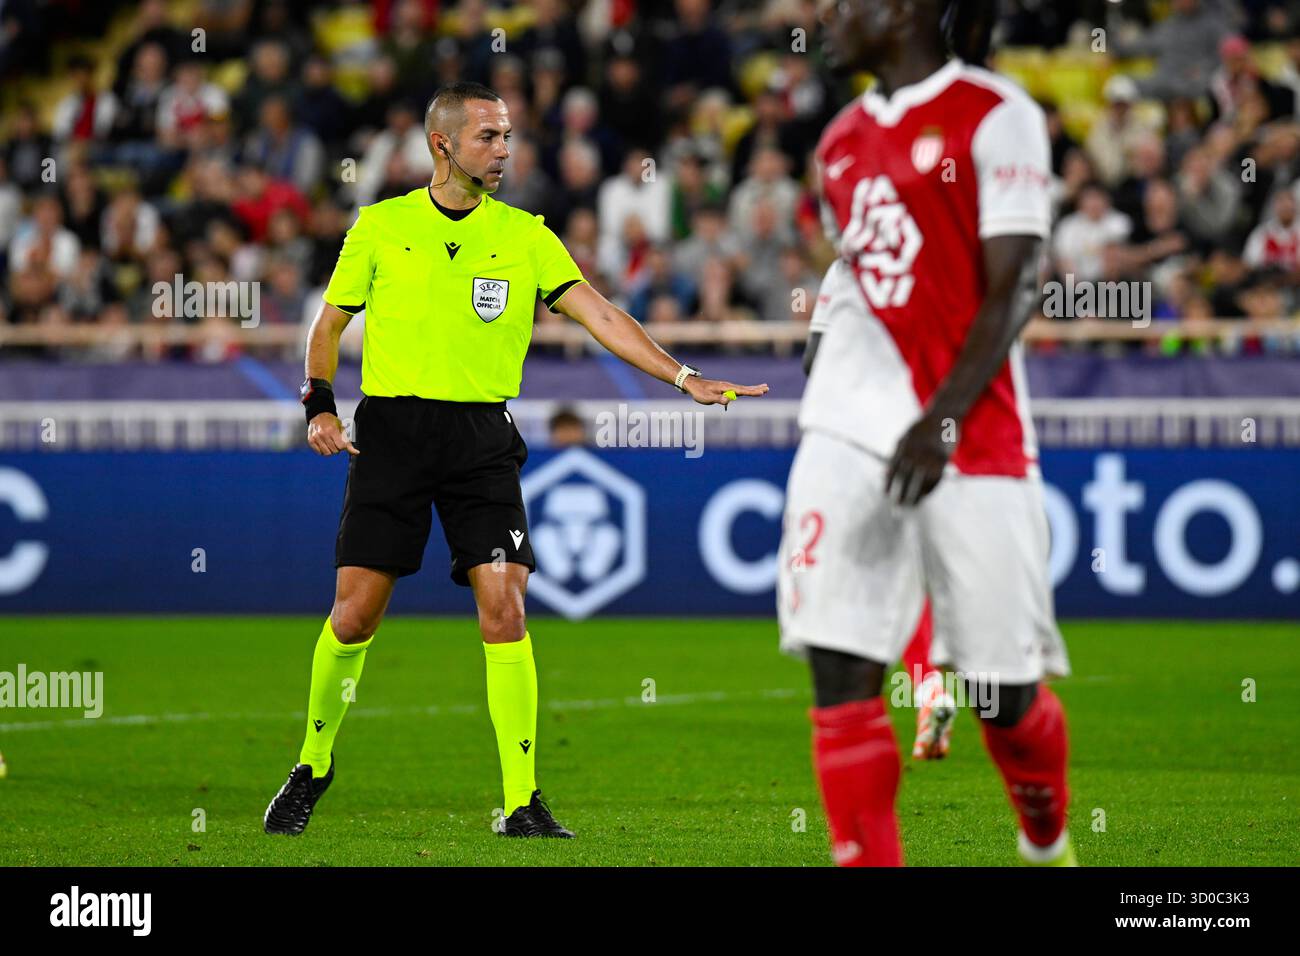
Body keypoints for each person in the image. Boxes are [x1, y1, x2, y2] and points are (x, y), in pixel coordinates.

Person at [263, 81, 767, 839]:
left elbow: (598, 311)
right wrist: (319, 406)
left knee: (506, 609)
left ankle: (523, 800)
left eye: (508, 137)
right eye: (489, 137)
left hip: (482, 443)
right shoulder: (379, 226)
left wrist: (683, 377)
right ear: (443, 145)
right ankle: (313, 764)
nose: (504, 150)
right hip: (392, 437)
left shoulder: (526, 235)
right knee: (354, 614)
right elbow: (329, 326)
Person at [778, 0, 1073, 867]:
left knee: (1001, 694)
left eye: (843, 4)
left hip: (969, 436)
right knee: (840, 670)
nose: (824, 19)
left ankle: (1047, 841)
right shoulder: (836, 144)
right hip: (843, 428)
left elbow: (1015, 287)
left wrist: (938, 418)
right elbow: (862, 274)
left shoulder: (996, 114)